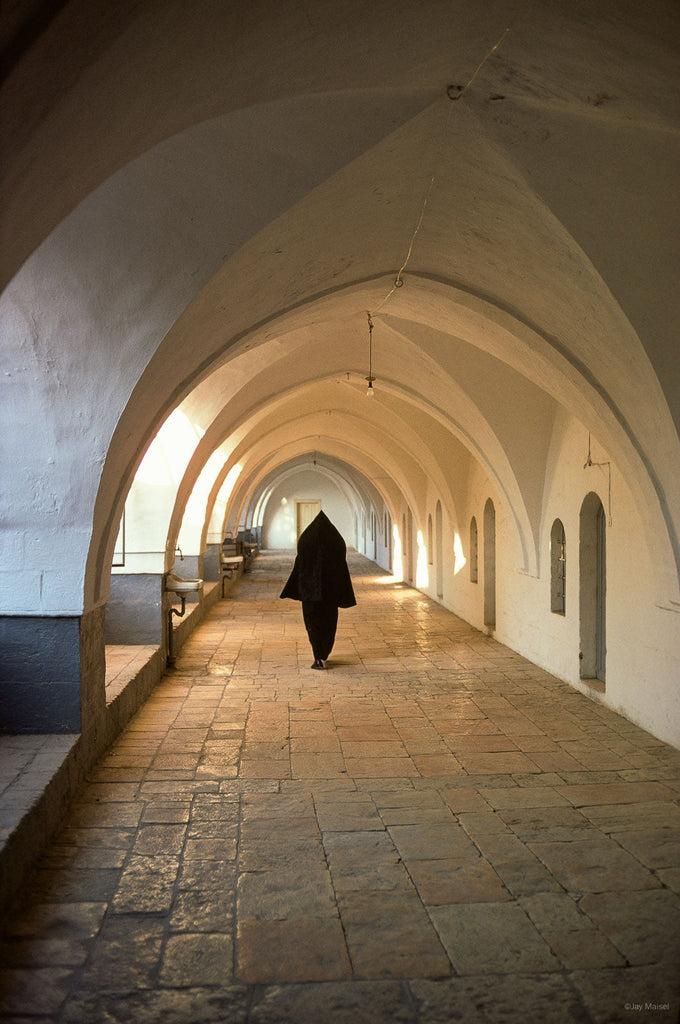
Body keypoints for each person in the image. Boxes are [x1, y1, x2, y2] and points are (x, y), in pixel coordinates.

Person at [280, 510, 356, 669]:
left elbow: (299, 566)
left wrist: (297, 588)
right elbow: (342, 567)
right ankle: (323, 653)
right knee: (328, 624)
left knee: (313, 623)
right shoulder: (335, 542)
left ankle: (317, 656)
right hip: (331, 593)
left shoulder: (306, 541)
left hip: (310, 593)